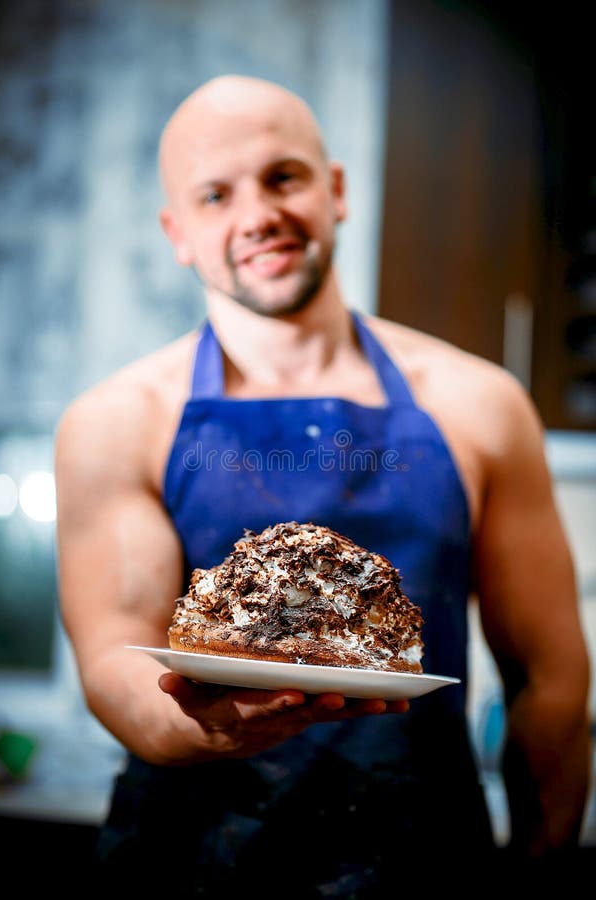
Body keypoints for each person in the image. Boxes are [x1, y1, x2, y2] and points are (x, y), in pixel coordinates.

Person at [54, 75, 590, 895]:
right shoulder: (116, 422)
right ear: (178, 233)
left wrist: (543, 869)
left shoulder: (480, 406)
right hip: (188, 867)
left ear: (334, 190)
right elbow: (112, 660)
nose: (257, 215)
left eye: (283, 177)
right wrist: (203, 729)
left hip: (425, 864)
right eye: (215, 195)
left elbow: (548, 679)